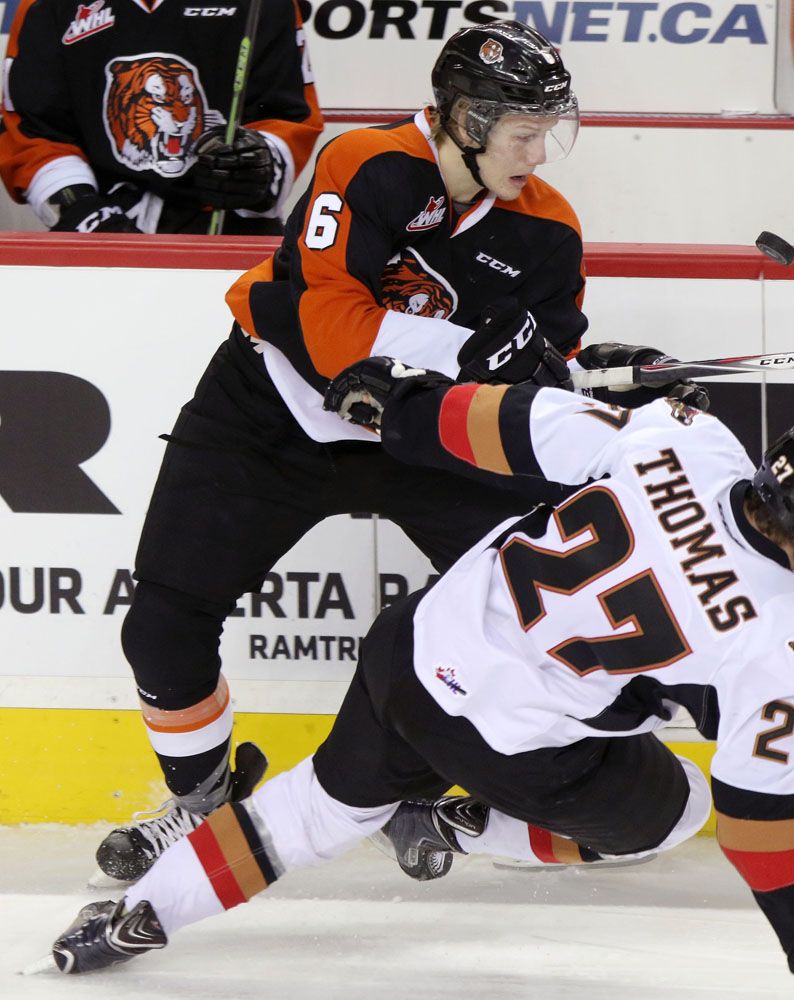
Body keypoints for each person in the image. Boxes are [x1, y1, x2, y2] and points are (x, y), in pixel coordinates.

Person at [49, 360, 794, 999]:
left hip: (410, 651)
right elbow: (767, 809)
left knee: (320, 805)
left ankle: (136, 919)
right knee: (674, 809)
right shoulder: (771, 636)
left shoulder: (682, 437)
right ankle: (453, 829)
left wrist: (404, 407)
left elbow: (515, 420)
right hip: (514, 753)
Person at [90, 19, 704, 883]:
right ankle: (201, 800)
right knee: (161, 624)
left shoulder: (548, 231)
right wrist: (465, 351)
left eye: (544, 130)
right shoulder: (364, 164)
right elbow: (326, 325)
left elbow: (537, 373)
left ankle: (419, 788)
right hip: (274, 410)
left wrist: (583, 378)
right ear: (465, 119)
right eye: (523, 131)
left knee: (520, 610)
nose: (539, 153)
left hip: (426, 438)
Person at [0, 0, 321, 234]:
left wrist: (257, 164)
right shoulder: (46, 7)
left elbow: (287, 115)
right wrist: (82, 211)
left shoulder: (262, 4)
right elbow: (35, 133)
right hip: (101, 220)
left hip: (228, 223)